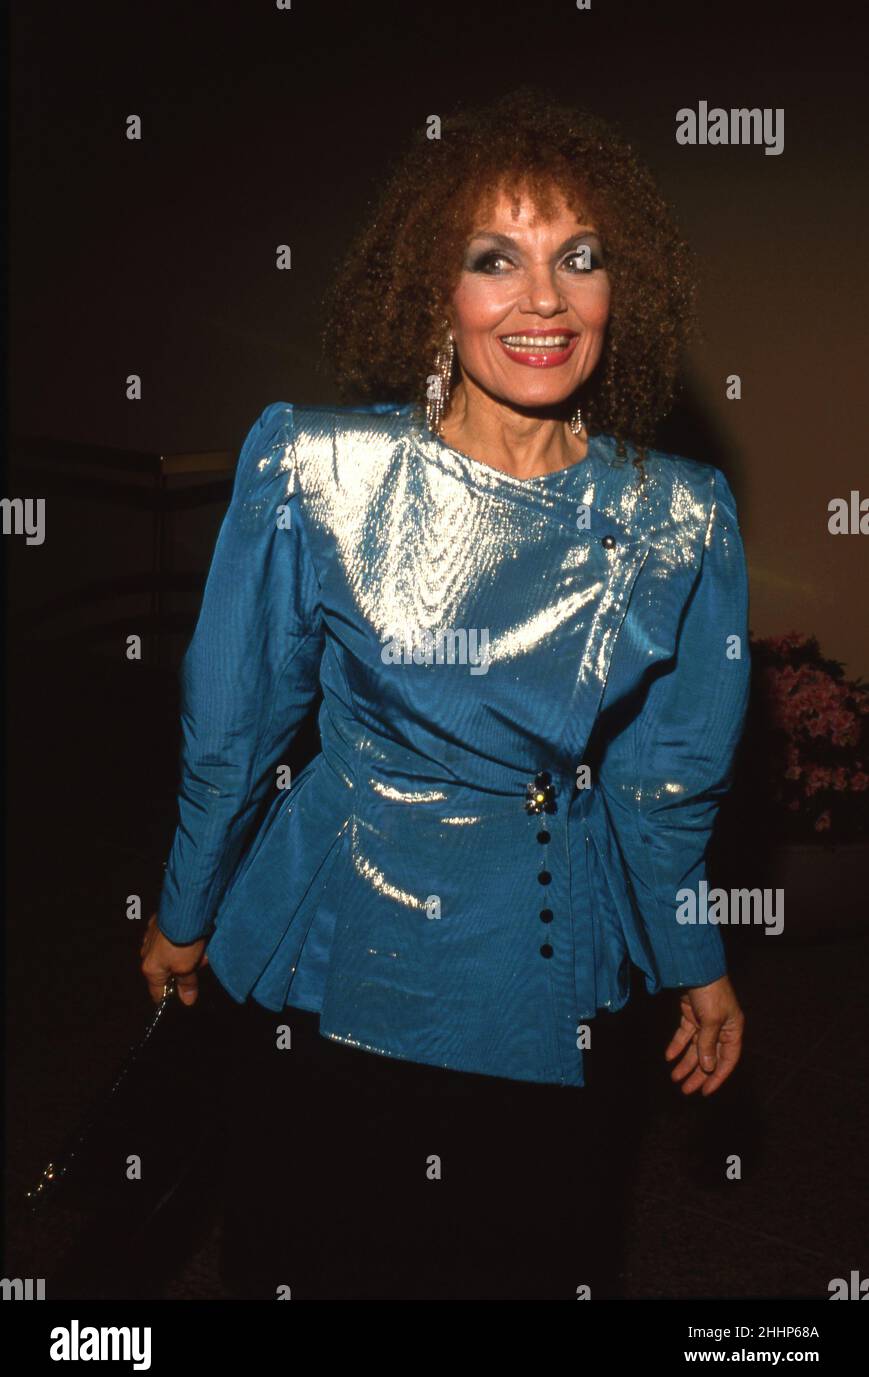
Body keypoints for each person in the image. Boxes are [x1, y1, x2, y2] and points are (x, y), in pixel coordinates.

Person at [140, 87, 749, 1300]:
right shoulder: (317, 462)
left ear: (616, 293)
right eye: (496, 260)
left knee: (525, 1255)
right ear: (437, 292)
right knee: (314, 1255)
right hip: (330, 953)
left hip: (543, 968)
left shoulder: (679, 514)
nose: (543, 299)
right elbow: (237, 720)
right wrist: (184, 905)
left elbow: (661, 779)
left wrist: (697, 961)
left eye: (578, 259)